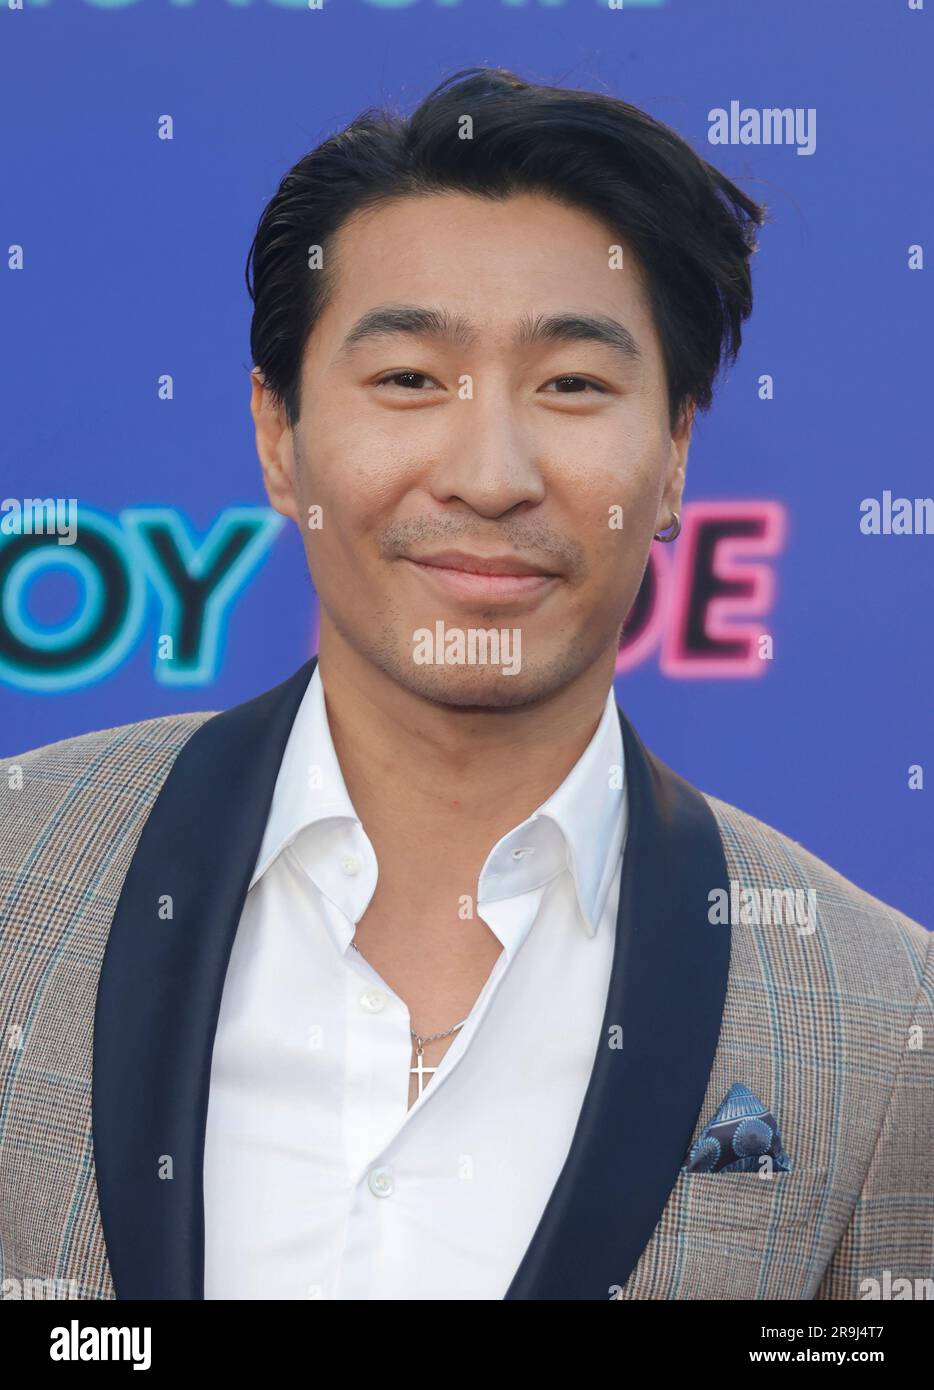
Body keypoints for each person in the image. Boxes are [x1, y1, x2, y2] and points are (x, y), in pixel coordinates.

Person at [1, 67, 930, 1302]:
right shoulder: (23, 875)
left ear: (673, 463)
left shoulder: (880, 1023)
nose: (489, 474)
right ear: (278, 437)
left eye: (572, 387)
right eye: (408, 380)